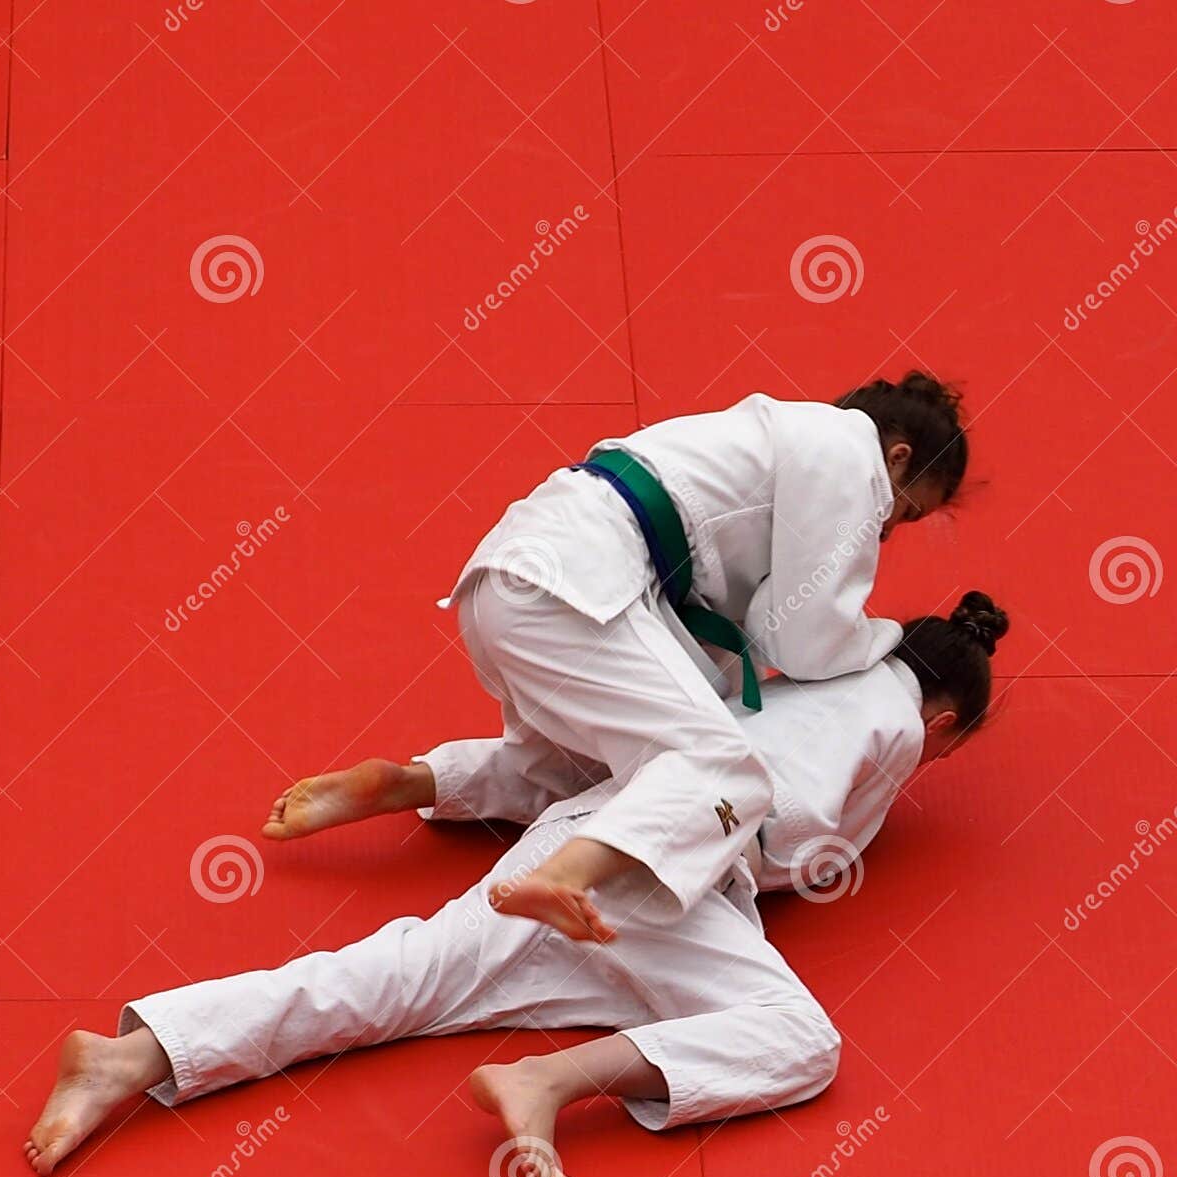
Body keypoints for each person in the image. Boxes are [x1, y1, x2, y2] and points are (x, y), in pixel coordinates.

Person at [24, 596, 1008, 1177]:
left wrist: (443, 780)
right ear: (949, 722)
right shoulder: (887, 720)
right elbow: (780, 814)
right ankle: (552, 1081)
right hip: (668, 883)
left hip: (580, 845)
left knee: (382, 981)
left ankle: (130, 1054)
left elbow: (604, 764)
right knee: (803, 1043)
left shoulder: (776, 681)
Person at [343, 374, 972, 945]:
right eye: (905, 509)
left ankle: (424, 781)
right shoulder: (846, 452)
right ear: (897, 459)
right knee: (726, 769)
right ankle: (566, 874)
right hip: (575, 590)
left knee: (610, 767)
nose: (888, 532)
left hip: (515, 583)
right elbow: (804, 641)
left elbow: (761, 628)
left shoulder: (777, 439)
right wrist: (886, 640)